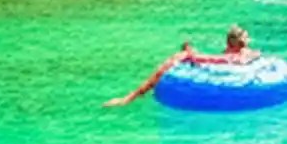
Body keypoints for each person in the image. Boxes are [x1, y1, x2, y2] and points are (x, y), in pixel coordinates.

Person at [103, 25, 261, 107]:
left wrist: (190, 54)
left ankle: (129, 98)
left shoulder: (234, 57)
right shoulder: (249, 54)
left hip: (226, 72)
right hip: (230, 71)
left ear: (230, 43)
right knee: (183, 55)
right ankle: (130, 97)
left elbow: (213, 60)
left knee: (176, 58)